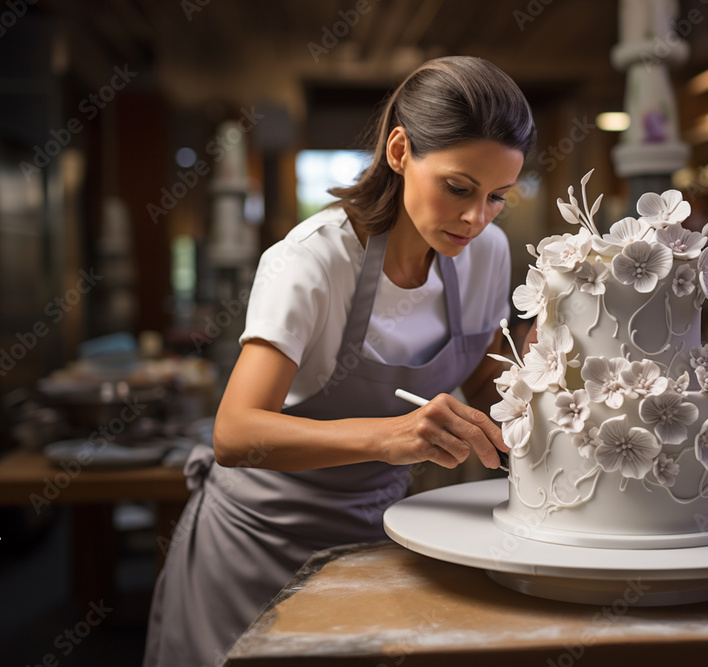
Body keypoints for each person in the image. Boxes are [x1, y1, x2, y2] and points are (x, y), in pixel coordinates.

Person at [143, 55, 534, 667]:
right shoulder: (312, 262)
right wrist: (392, 436)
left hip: (378, 535)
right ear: (400, 151)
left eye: (497, 198)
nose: (475, 217)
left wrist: (542, 365)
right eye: (458, 188)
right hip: (256, 544)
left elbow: (483, 379)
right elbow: (235, 433)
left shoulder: (485, 254)